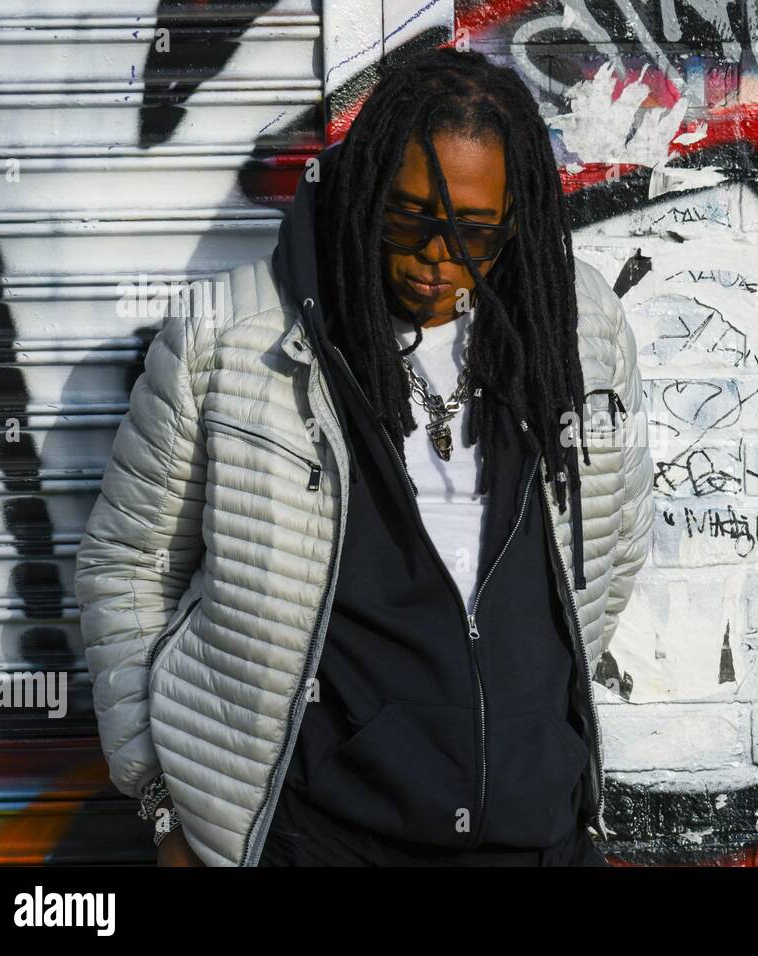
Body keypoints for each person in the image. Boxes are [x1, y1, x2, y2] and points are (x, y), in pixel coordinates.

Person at [74, 46, 654, 867]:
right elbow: (126, 565)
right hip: (315, 839)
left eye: (472, 234)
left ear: (518, 218)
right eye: (409, 218)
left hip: (535, 832)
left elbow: (616, 542)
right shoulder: (236, 336)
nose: (436, 258)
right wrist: (165, 804)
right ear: (369, 186)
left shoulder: (581, 329)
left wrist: (516, 715)